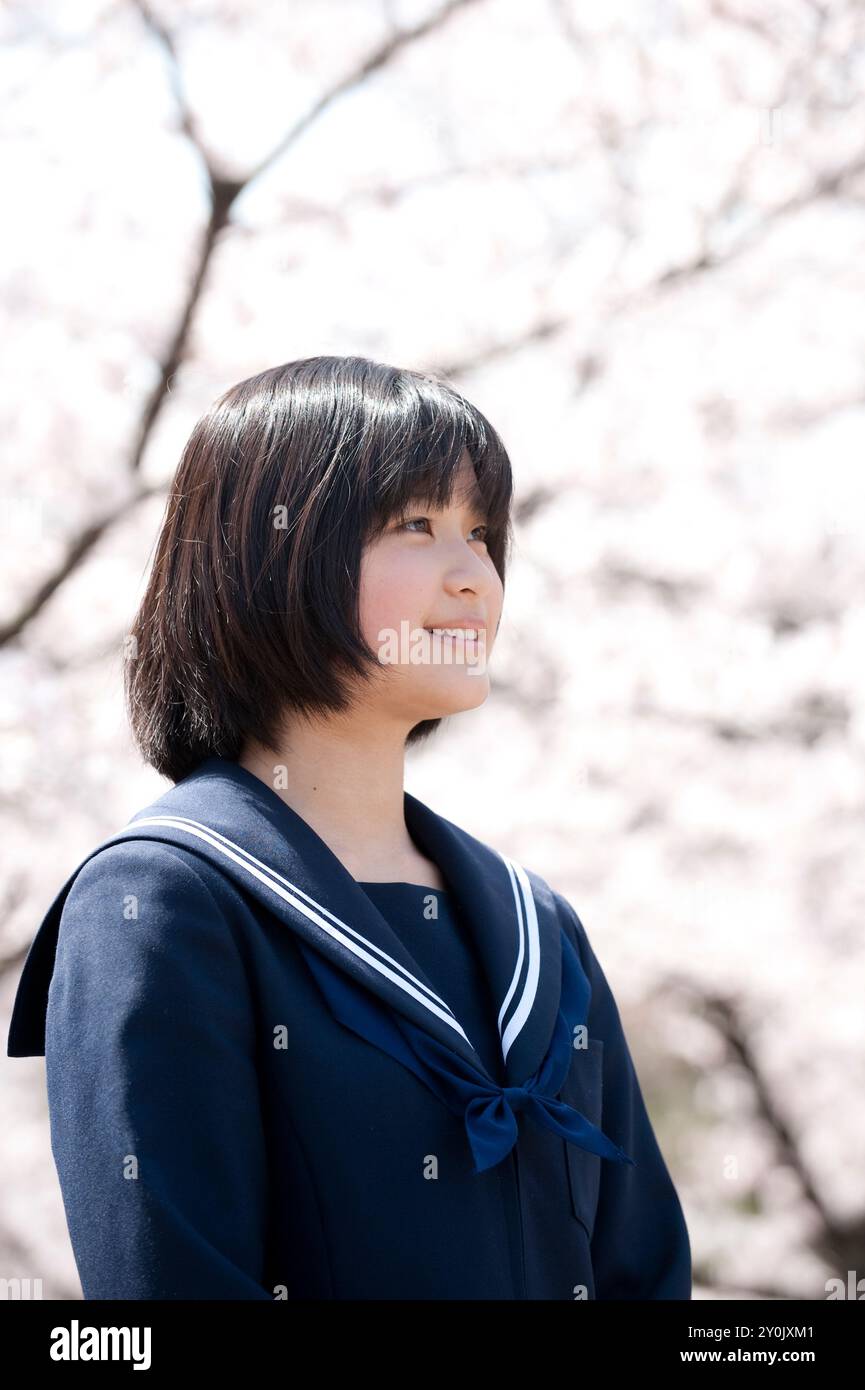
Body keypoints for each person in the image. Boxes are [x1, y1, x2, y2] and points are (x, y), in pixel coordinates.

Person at [7, 355, 691, 1300]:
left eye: (483, 533)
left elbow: (643, 1271)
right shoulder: (162, 900)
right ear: (269, 551)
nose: (473, 578)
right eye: (417, 524)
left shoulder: (537, 924)